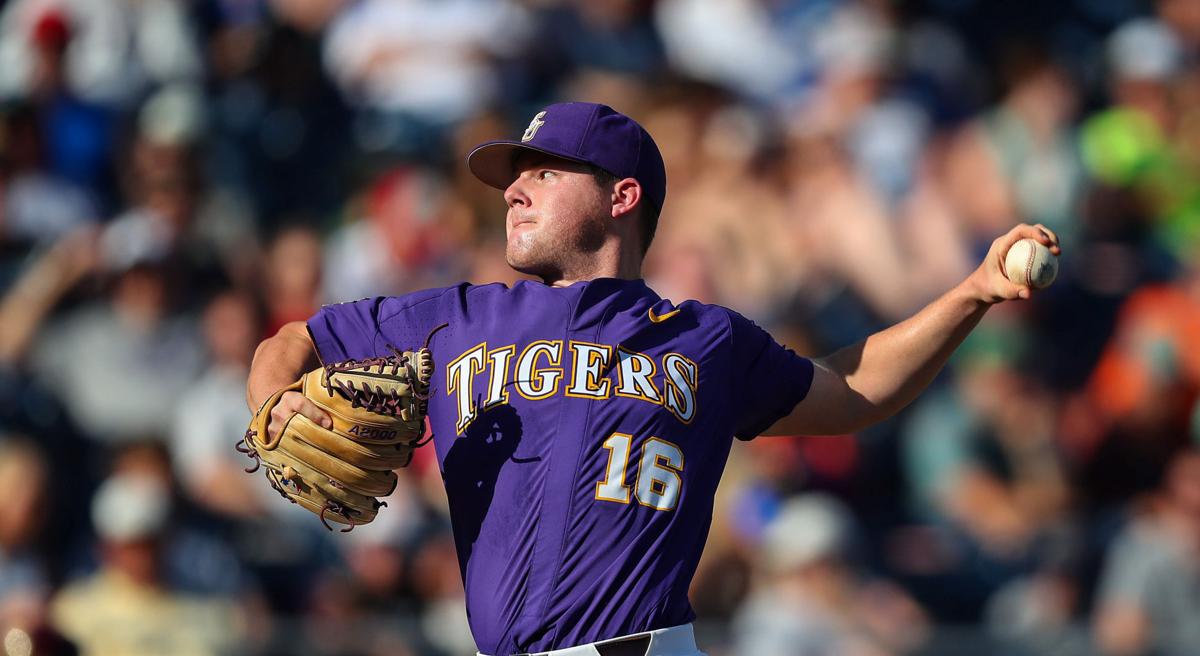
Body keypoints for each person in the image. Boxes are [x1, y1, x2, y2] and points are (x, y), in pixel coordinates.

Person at [246, 102, 1061, 656]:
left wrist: (971, 291)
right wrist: (273, 408)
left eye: (544, 172)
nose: (516, 189)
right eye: (512, 177)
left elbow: (854, 391)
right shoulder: (461, 316)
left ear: (621, 196)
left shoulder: (704, 340)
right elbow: (293, 341)